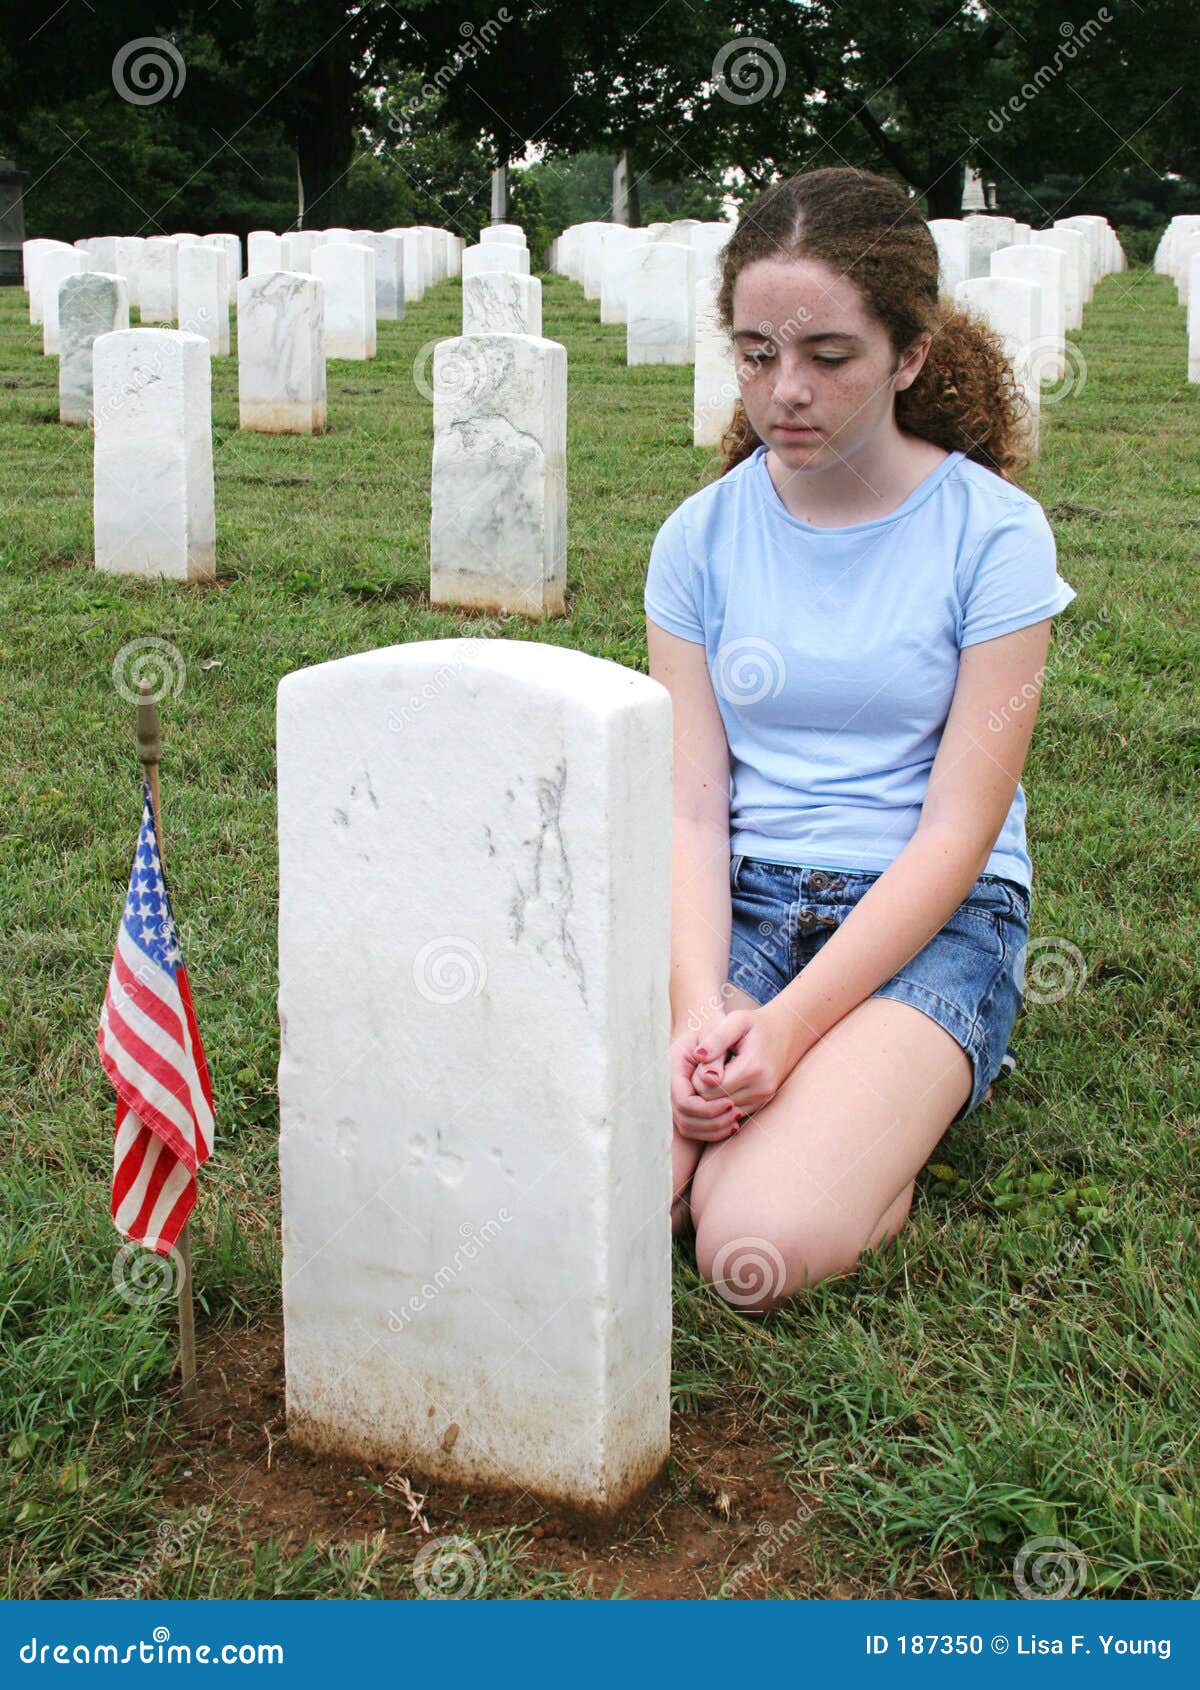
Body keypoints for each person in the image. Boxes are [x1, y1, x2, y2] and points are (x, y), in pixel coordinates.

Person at [644, 166, 1078, 1314]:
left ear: (911, 354)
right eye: (753, 353)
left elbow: (956, 831)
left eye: (828, 357)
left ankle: (891, 1107)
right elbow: (692, 805)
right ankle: (824, 1114)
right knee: (623, 1181)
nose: (783, 392)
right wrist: (702, 1010)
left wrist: (783, 1030)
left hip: (934, 910)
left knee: (750, 1244)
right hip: (739, 902)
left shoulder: (995, 538)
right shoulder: (697, 539)